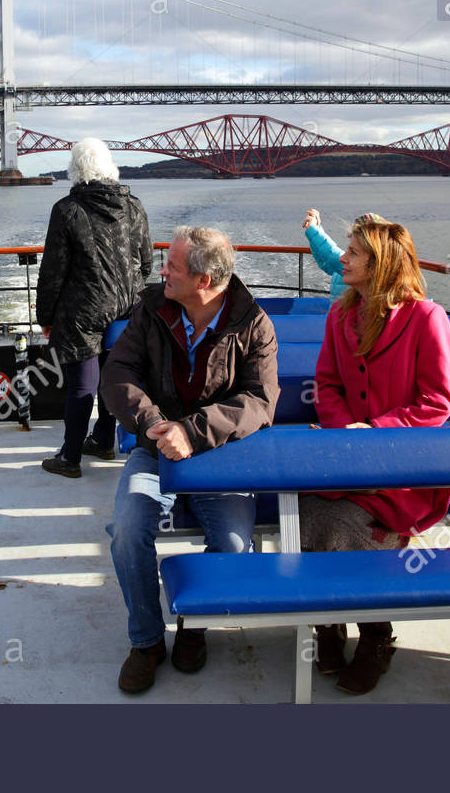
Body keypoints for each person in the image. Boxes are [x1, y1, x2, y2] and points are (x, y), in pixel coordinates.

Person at [100, 225, 279, 693]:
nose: (163, 272)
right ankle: (146, 641)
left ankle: (193, 625)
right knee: (127, 531)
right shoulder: (152, 309)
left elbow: (260, 402)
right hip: (154, 448)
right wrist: (153, 422)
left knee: (236, 545)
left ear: (204, 281)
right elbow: (118, 372)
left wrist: (192, 432)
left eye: (173, 266)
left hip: (220, 457)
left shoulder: (253, 324)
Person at [306, 213, 450, 695]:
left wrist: (374, 431)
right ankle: (327, 625)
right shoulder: (339, 314)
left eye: (352, 252)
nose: (341, 259)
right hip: (346, 457)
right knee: (305, 511)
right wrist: (345, 435)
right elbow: (327, 384)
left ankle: (374, 636)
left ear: (381, 264)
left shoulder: (427, 318)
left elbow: (437, 401)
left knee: (350, 527)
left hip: (402, 468)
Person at [36, 138, 152, 478]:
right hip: (127, 308)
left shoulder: (66, 210)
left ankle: (70, 457)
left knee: (82, 386)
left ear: (76, 169)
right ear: (109, 166)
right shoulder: (134, 206)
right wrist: (127, 290)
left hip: (82, 313)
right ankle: (102, 439)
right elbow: (145, 263)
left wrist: (46, 317)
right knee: (114, 379)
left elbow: (53, 271)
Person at [301, 207, 346, 297]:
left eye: (354, 251)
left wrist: (313, 230)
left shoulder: (365, 270)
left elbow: (334, 257)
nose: (345, 257)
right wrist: (316, 228)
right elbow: (325, 263)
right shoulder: (343, 270)